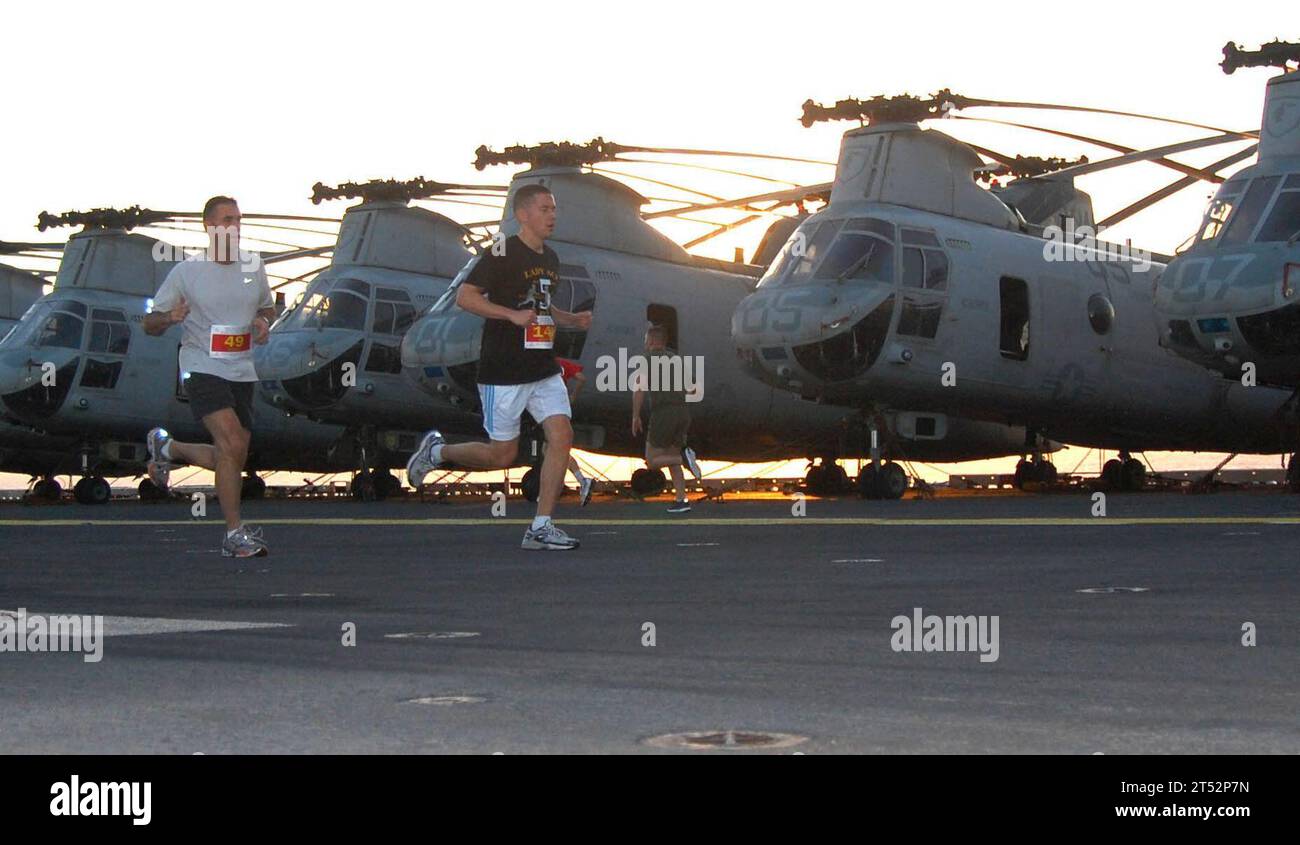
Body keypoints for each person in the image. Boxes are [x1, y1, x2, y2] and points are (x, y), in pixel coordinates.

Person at [406, 184, 592, 550]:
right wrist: (510, 315)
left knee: (562, 435)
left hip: (542, 366)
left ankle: (541, 526)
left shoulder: (552, 259)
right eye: (544, 209)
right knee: (502, 454)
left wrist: (572, 319)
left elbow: (543, 305)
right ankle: (437, 452)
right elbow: (466, 296)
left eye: (554, 209)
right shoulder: (502, 252)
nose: (552, 215)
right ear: (523, 215)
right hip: (503, 368)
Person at [143, 196, 275, 558]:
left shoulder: (253, 265)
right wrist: (171, 317)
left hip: (242, 370)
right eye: (227, 219)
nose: (234, 226)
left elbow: (268, 305)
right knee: (232, 444)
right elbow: (149, 323)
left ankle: (168, 448)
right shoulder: (187, 272)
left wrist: (264, 321)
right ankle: (234, 535)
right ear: (210, 226)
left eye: (238, 219)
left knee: (232, 456)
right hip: (202, 367)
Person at [632, 324, 703, 513]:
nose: (645, 343)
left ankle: (683, 459)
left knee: (652, 460)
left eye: (646, 340)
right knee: (670, 457)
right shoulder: (676, 359)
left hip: (663, 413)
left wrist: (635, 415)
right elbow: (693, 388)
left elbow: (639, 389)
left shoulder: (646, 360)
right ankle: (681, 500)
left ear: (653, 341)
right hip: (683, 412)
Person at [557, 357, 593, 506]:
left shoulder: (541, 363)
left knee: (555, 449)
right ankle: (554, 487)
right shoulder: (560, 363)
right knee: (549, 450)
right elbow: (581, 378)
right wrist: (572, 396)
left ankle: (582, 480)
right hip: (561, 406)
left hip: (552, 409)